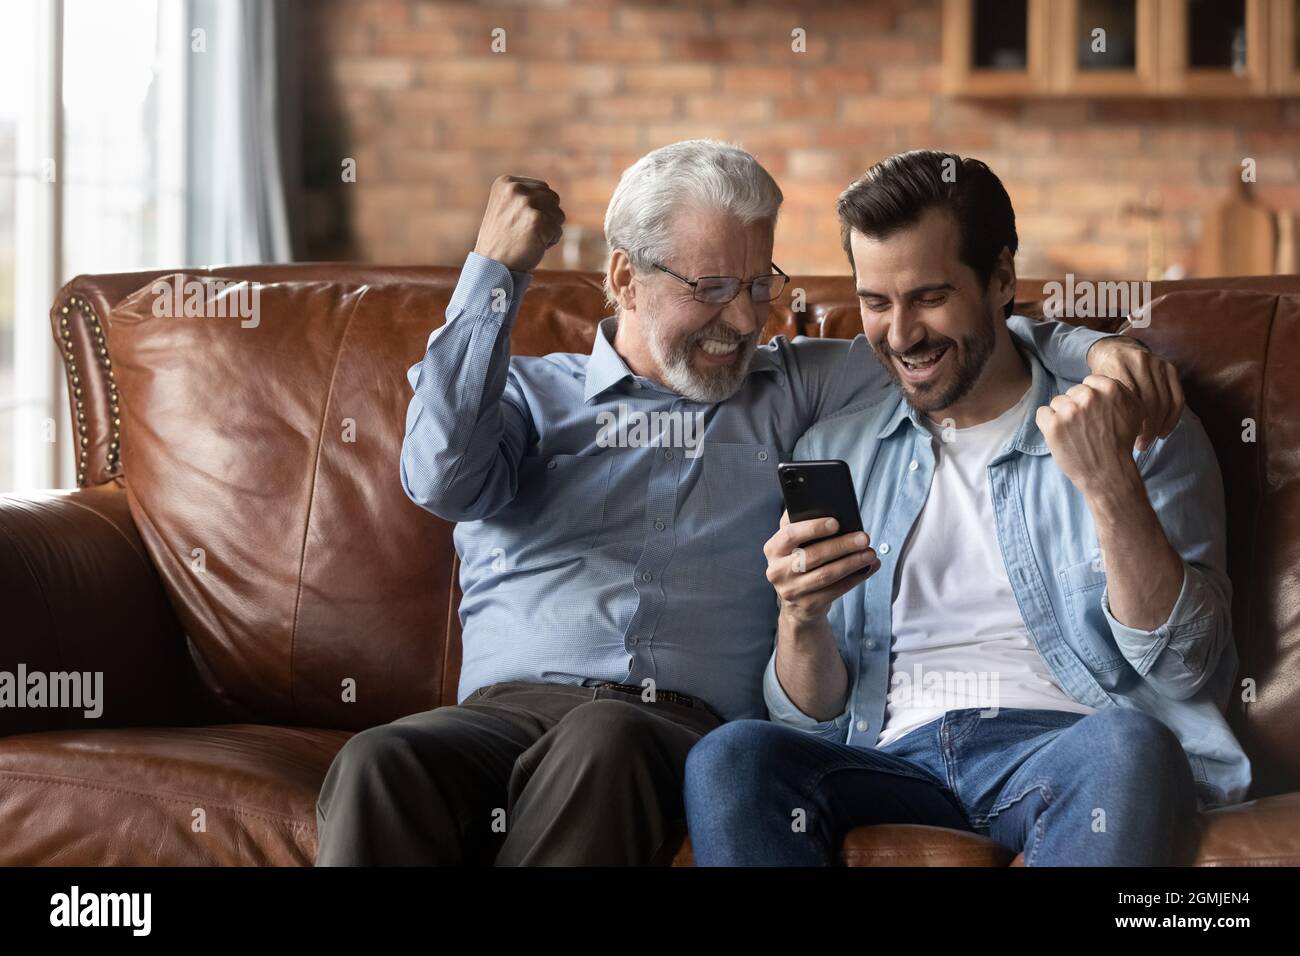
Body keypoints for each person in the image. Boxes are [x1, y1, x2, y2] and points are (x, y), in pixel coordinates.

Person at [315, 141, 1183, 866]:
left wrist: (1098, 352)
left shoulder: (797, 389)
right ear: (623, 277)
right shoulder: (532, 398)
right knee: (375, 762)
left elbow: (951, 342)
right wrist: (495, 272)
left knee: (603, 742)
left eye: (759, 284)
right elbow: (438, 476)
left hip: (663, 727)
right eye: (712, 290)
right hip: (503, 713)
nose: (747, 321)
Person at [683, 150, 1249, 866]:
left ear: (1002, 279)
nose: (900, 334)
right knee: (732, 756)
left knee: (1132, 744)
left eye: (928, 297)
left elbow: (1187, 670)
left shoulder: (1137, 425)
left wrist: (1111, 488)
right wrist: (802, 619)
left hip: (1067, 747)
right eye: (876, 302)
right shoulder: (841, 446)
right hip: (891, 761)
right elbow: (816, 725)